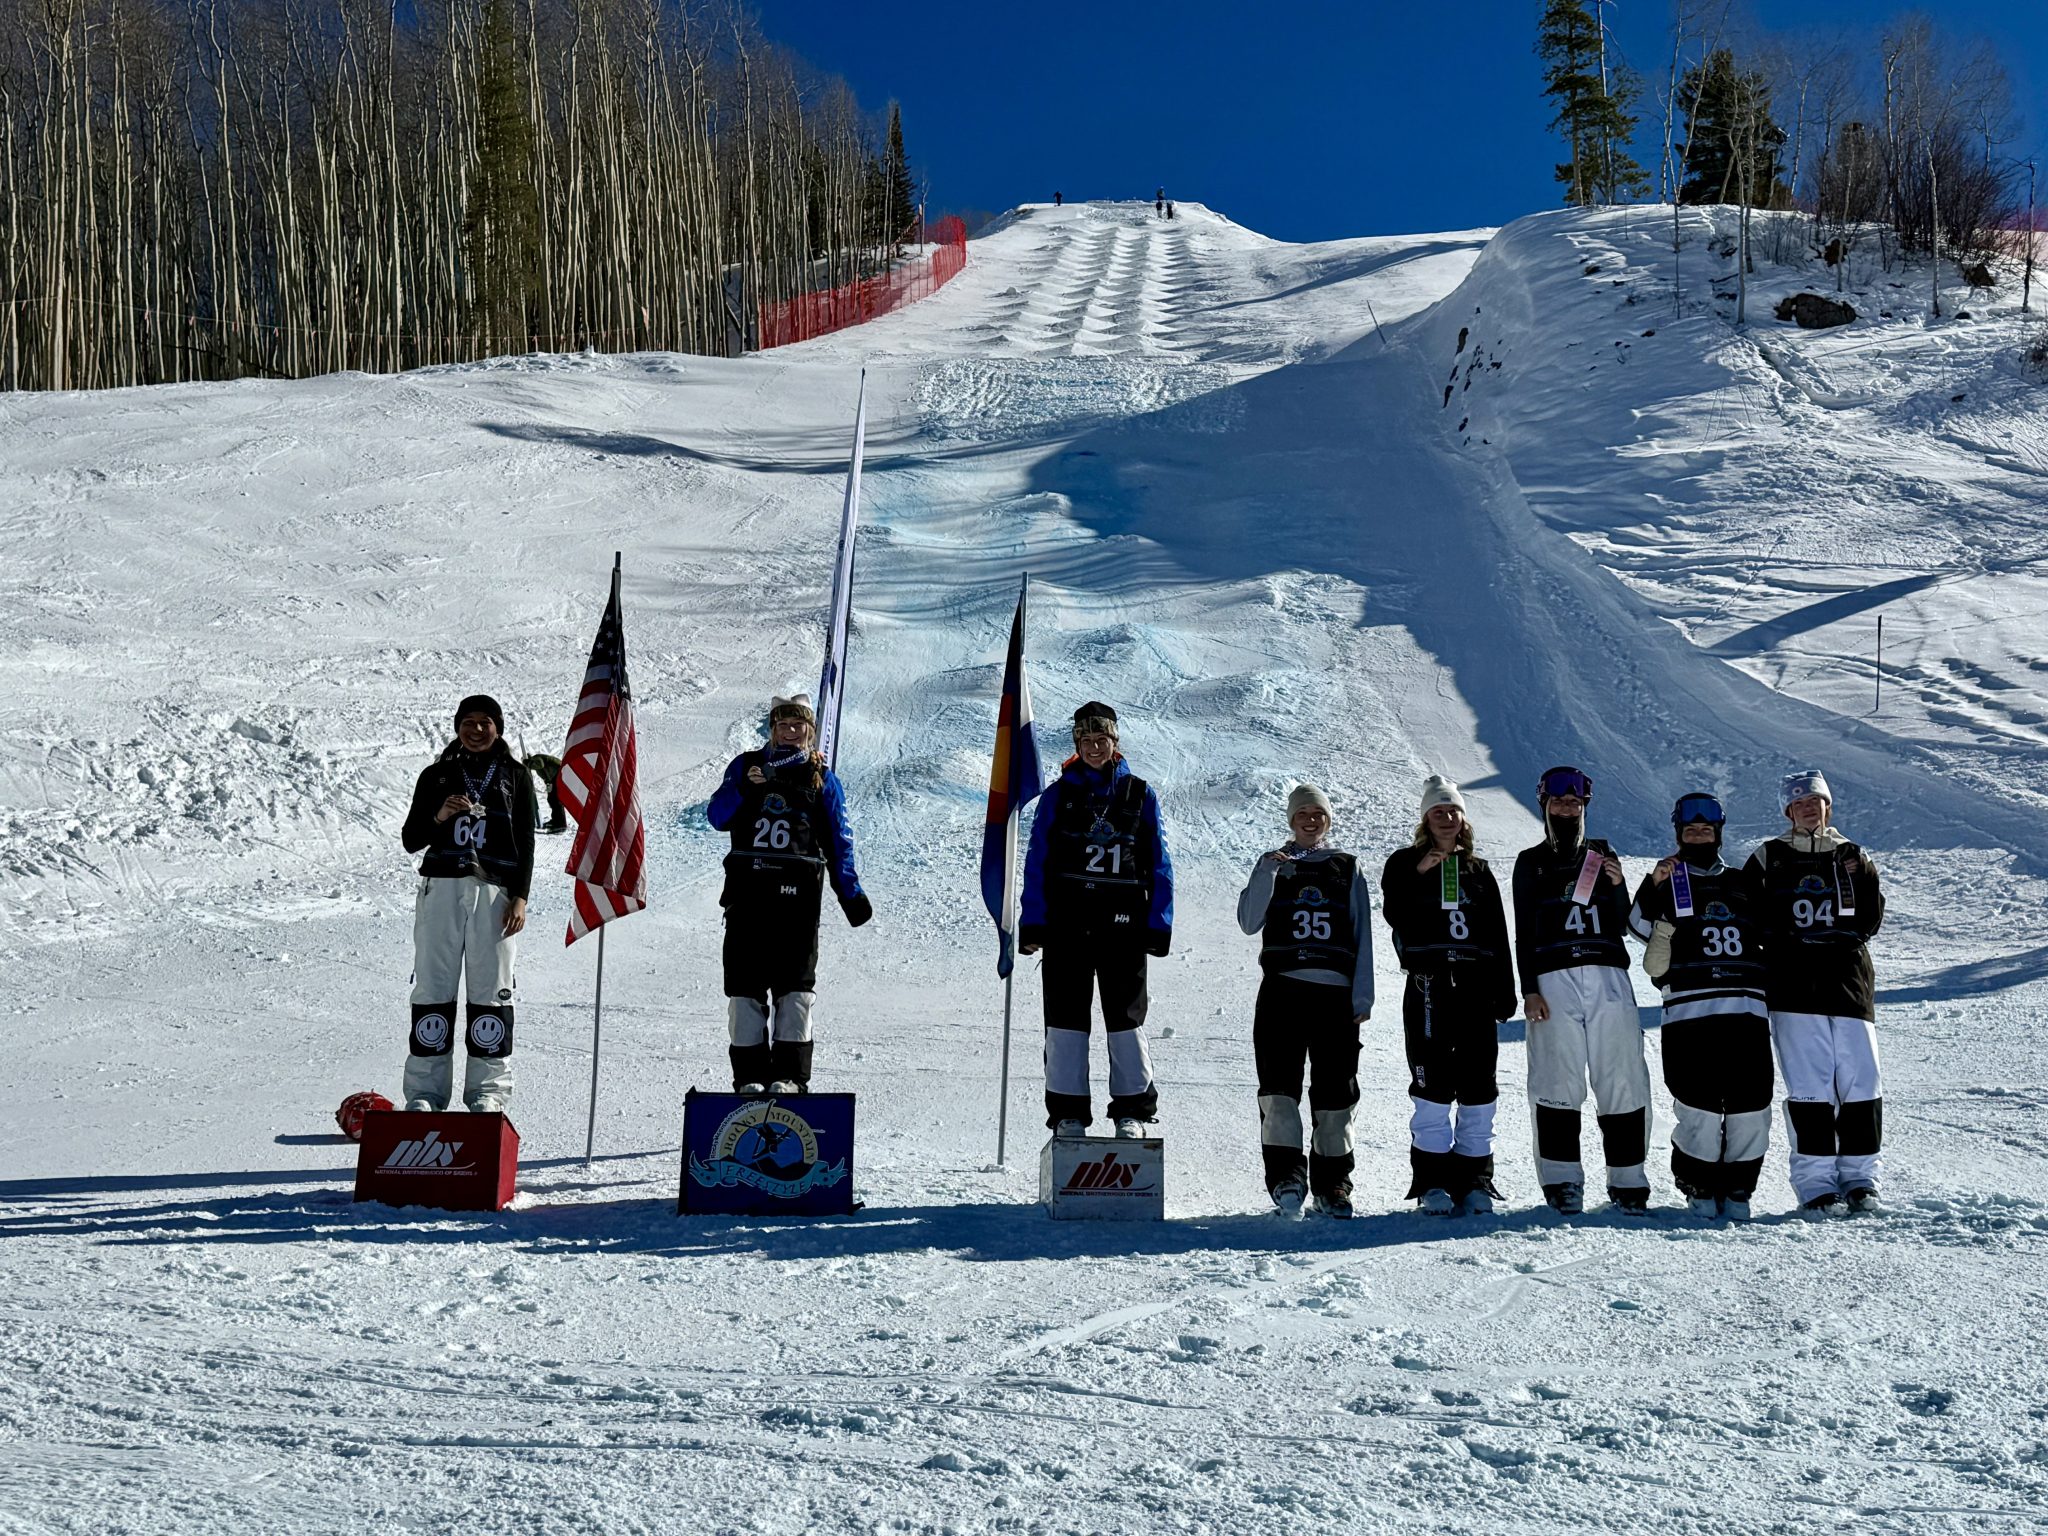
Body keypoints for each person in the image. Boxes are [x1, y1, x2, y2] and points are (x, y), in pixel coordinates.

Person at [1020, 702, 1173, 1139]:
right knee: (1066, 1021)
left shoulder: (1140, 794)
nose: (1093, 748)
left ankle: (1133, 1110)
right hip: (1067, 925)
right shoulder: (1057, 795)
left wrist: (1159, 923)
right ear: (1076, 744)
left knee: (1125, 1020)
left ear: (1114, 742)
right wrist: (1033, 922)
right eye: (1085, 741)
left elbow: (1159, 861)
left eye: (1101, 740)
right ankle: (1068, 1112)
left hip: (1122, 926)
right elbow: (1037, 862)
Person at [707, 694, 872, 1093]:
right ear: (772, 728)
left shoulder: (822, 779)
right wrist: (744, 789)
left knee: (795, 994)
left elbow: (839, 842)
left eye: (799, 726)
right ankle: (748, 1078)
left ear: (810, 732)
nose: (791, 732)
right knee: (744, 995)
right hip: (747, 902)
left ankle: (790, 1078)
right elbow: (716, 816)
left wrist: (849, 893)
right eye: (783, 725)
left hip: (797, 906)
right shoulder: (747, 765)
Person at [1744, 771, 1886, 1213]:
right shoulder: (1770, 856)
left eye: (1816, 801)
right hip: (1793, 987)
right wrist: (1784, 942)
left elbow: (1871, 917)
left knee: (1861, 1083)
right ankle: (1816, 1184)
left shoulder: (1853, 854)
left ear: (1829, 806)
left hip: (1848, 983)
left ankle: (1861, 1179)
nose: (1808, 807)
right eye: (1799, 802)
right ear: (1787, 811)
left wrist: (1857, 878)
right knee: (1810, 1089)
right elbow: (1747, 912)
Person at [1512, 765, 1650, 1214]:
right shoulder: (1530, 861)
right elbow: (1523, 933)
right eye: (1558, 801)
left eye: (1574, 802)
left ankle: (1628, 1178)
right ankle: (1562, 1179)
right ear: (1545, 805)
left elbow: (1625, 923)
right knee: (1557, 1077)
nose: (1567, 807)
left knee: (1622, 1075)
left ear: (1585, 805)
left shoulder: (1601, 854)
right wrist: (1529, 988)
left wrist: (1617, 884)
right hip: (1553, 977)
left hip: (1607, 972)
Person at [1628, 793, 1771, 1220]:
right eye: (1690, 831)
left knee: (1751, 1105)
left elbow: (1775, 933)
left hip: (1745, 1009)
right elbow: (1635, 925)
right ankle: (1699, 1183)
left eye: (1706, 830)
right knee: (1699, 1105)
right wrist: (1653, 885)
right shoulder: (1668, 879)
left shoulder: (1742, 881)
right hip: (1689, 1011)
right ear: (1679, 835)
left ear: (1718, 834)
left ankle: (1740, 1187)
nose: (1698, 836)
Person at [1380, 776, 1515, 1216]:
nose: (1446, 816)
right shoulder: (1403, 862)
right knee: (1431, 1084)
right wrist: (1421, 873)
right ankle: (1433, 1180)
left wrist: (1504, 990)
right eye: (1437, 810)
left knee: (1479, 1084)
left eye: (1453, 809)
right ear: (1425, 818)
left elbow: (1496, 931)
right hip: (1428, 986)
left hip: (1474, 986)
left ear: (1463, 819)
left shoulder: (1477, 869)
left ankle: (1476, 1179)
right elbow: (1393, 913)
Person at [1236, 784, 1373, 1218]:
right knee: (1279, 1090)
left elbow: (1361, 932)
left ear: (1327, 820)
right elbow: (1247, 921)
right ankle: (1285, 1177)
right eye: (1302, 814)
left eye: (1318, 814)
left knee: (1335, 1093)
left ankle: (1333, 1183)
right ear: (1291, 820)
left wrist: (1362, 995)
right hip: (1282, 990)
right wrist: (1265, 872)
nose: (1310, 820)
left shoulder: (1345, 867)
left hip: (1334, 995)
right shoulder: (1275, 864)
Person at [398, 694, 536, 1113]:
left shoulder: (515, 775)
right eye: (468, 722)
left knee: (491, 991)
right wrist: (439, 816)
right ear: (458, 726)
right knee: (432, 988)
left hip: (494, 892)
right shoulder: (436, 774)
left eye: (485, 722)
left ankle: (487, 1092)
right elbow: (410, 839)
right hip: (441, 886)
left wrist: (521, 896)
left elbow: (526, 841)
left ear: (499, 727)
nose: (476, 730)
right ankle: (425, 1092)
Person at [523, 751, 567, 834]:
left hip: (558, 775)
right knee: (551, 799)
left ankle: (560, 824)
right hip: (553, 778)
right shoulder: (535, 759)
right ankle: (555, 820)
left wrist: (528, 763)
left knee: (556, 800)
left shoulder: (537, 758)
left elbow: (540, 764)